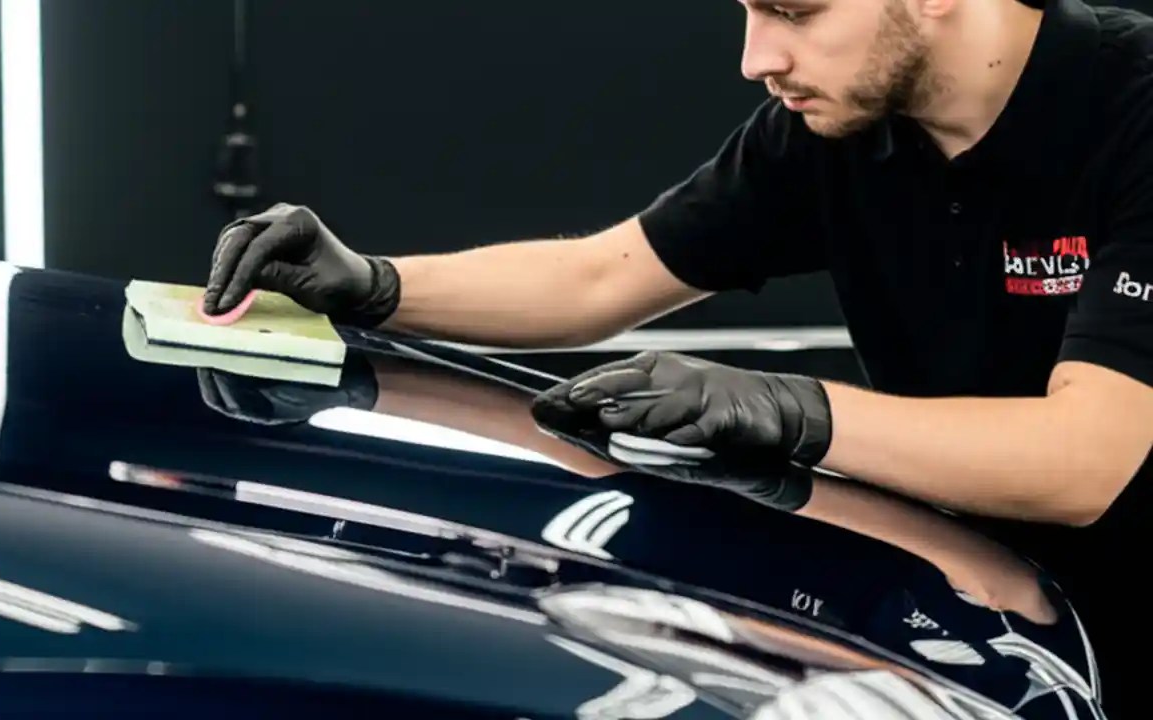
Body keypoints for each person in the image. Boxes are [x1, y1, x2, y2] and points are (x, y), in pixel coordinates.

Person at [201, 0, 1153, 712]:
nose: (756, 56)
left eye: (794, 9)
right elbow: (598, 278)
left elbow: (1083, 463)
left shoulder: (1135, 108)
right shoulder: (834, 128)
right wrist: (375, 284)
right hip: (985, 623)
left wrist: (797, 411)